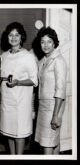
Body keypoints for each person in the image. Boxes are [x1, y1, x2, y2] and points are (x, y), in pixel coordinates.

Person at [0, 22, 38, 154]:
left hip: (21, 103)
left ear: (22, 37)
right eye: (11, 35)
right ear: (7, 37)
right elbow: (2, 80)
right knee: (9, 133)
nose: (14, 38)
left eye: (17, 35)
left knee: (19, 134)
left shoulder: (28, 56)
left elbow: (34, 80)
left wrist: (18, 83)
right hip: (6, 102)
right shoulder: (4, 56)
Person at [34, 27, 67, 155]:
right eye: (43, 42)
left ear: (54, 43)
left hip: (53, 107)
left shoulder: (58, 61)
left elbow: (61, 89)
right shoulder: (42, 61)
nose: (45, 45)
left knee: (47, 144)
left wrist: (55, 115)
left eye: (49, 42)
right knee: (54, 141)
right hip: (43, 106)